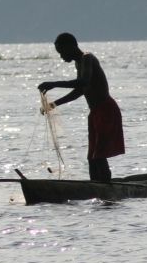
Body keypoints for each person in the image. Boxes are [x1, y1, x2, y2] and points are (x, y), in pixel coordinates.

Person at [37, 33, 124, 181]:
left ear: (71, 46)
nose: (61, 56)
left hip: (106, 110)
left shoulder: (87, 58)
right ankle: (95, 186)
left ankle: (106, 188)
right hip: (95, 113)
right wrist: (53, 104)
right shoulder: (79, 63)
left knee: (99, 155)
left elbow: (83, 82)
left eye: (62, 52)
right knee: (92, 156)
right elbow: (79, 91)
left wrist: (53, 83)